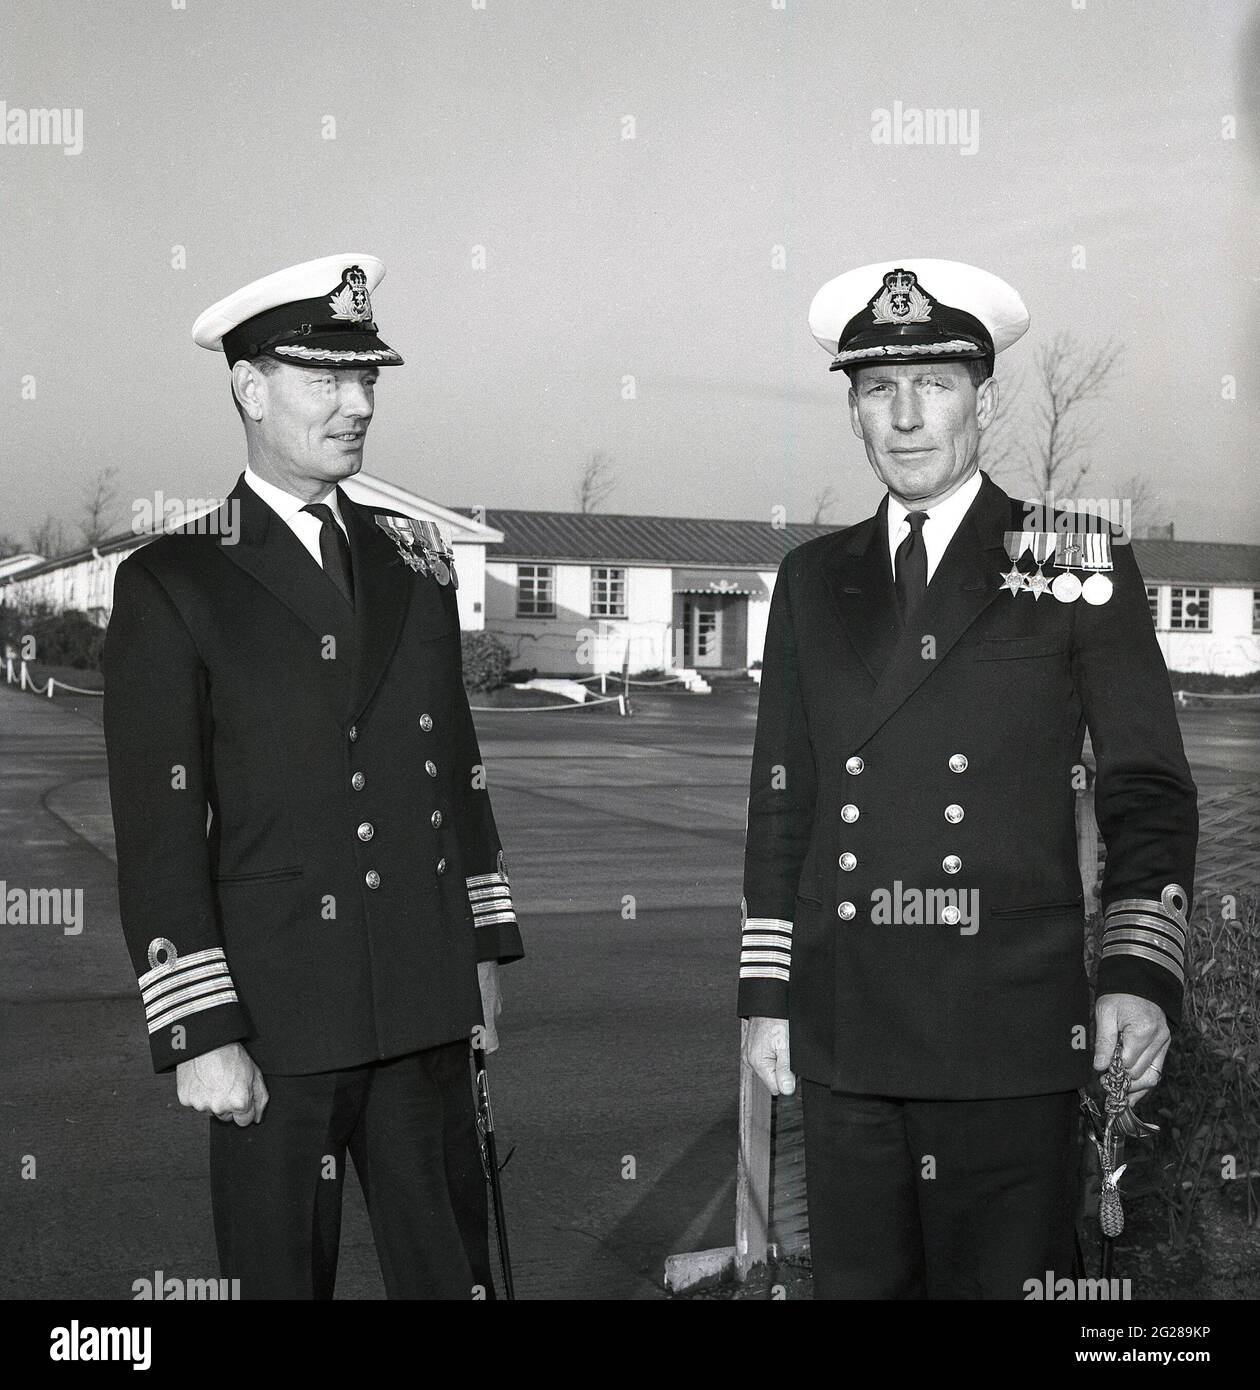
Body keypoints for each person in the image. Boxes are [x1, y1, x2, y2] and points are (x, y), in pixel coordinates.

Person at [738, 258, 1197, 1299]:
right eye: (876, 389)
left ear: (984, 401)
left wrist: (1136, 972)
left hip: (1009, 1034)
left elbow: (1148, 790)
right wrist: (768, 995)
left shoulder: (1074, 555)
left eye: (934, 385)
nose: (905, 417)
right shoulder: (814, 580)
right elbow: (784, 802)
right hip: (850, 1031)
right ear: (853, 409)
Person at [103, 253, 522, 1299]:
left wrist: (480, 956)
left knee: (453, 1275)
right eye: (324, 380)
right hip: (276, 1018)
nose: (358, 404)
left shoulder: (413, 560)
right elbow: (158, 833)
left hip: (424, 1002)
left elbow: (456, 775)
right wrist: (200, 1030)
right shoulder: (175, 580)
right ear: (250, 390)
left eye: (368, 379)